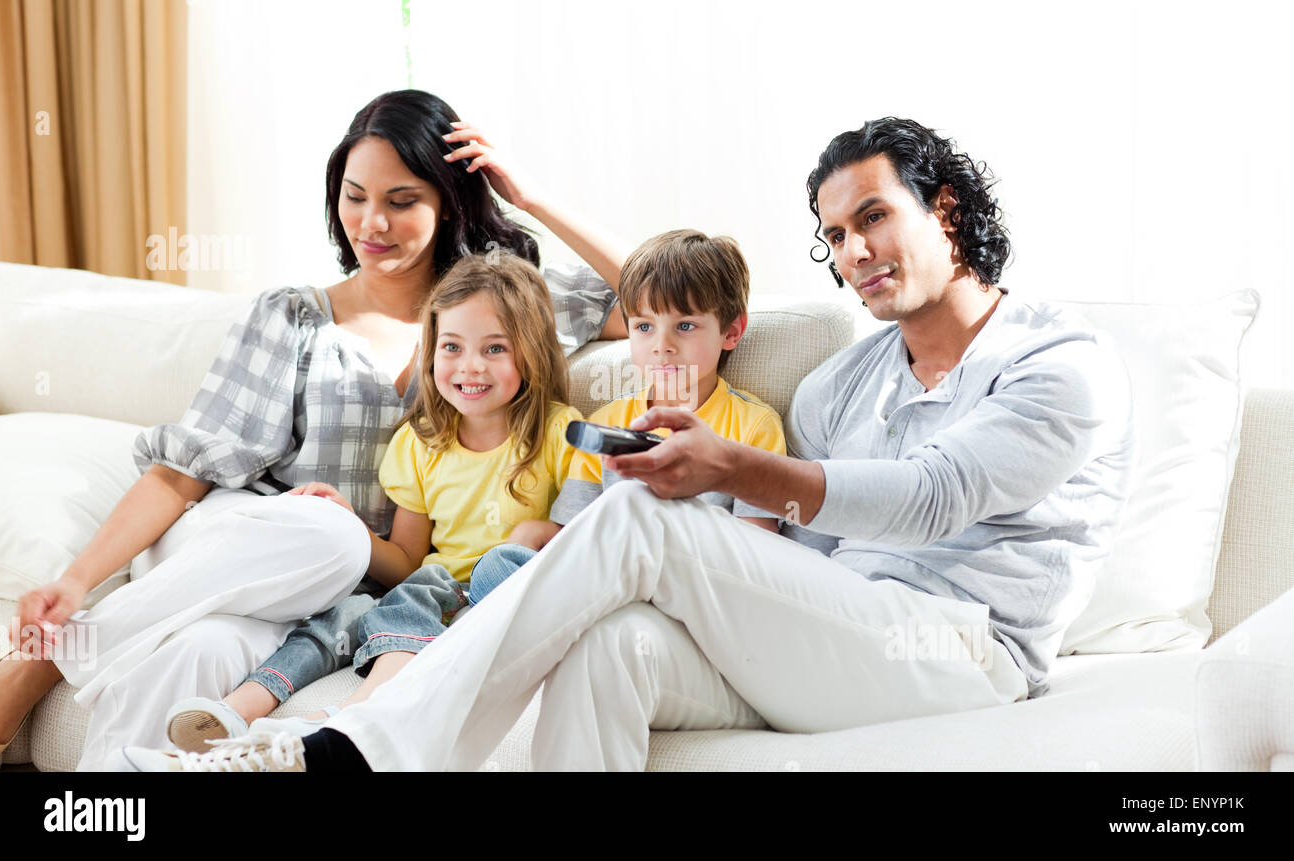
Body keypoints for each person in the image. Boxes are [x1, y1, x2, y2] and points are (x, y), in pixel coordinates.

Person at [117, 116, 1136, 773]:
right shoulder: (840, 382)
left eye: (874, 216)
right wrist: (724, 545)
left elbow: (930, 496)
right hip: (837, 644)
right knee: (613, 648)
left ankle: (357, 755)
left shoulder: (1060, 365)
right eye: (834, 235)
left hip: (963, 654)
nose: (854, 252)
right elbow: (802, 563)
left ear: (944, 206)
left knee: (647, 514)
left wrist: (728, 470)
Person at [0, 88, 627, 771]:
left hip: (333, 594)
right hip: (243, 537)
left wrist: (529, 198)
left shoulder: (496, 309)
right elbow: (182, 474)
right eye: (354, 196)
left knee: (198, 656)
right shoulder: (294, 317)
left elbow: (660, 301)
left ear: (449, 201)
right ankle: (43, 662)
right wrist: (78, 580)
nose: (371, 222)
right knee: (331, 532)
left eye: (402, 200)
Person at [162, 252, 583, 751]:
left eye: (494, 348)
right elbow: (405, 563)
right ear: (431, 353)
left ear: (531, 352)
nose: (470, 366)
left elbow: (583, 536)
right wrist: (349, 526)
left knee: (427, 595)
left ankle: (355, 712)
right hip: (435, 590)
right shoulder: (422, 443)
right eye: (452, 346)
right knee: (347, 612)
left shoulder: (561, 432)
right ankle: (236, 711)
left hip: (502, 598)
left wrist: (540, 536)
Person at [467, 228, 786, 606]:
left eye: (685, 326)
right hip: (602, 577)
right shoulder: (606, 422)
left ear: (731, 331)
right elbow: (573, 532)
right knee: (500, 565)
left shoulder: (753, 425)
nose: (661, 345)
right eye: (644, 327)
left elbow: (757, 548)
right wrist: (530, 534)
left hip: (691, 588)